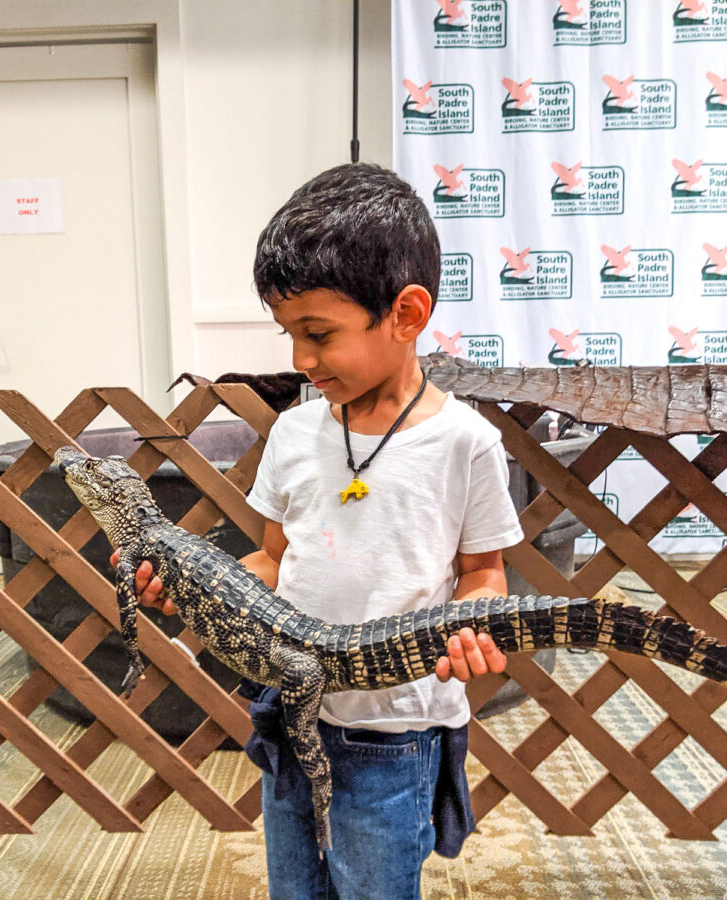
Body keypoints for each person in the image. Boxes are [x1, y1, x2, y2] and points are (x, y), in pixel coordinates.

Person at [114, 163, 523, 899]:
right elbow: (272, 561)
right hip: (291, 715)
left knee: (373, 888)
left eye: (319, 333)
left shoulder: (467, 443)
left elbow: (483, 573)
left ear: (406, 313)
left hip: (393, 735)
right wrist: (205, 592)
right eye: (289, 333)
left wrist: (471, 624)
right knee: (295, 888)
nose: (300, 360)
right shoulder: (294, 434)